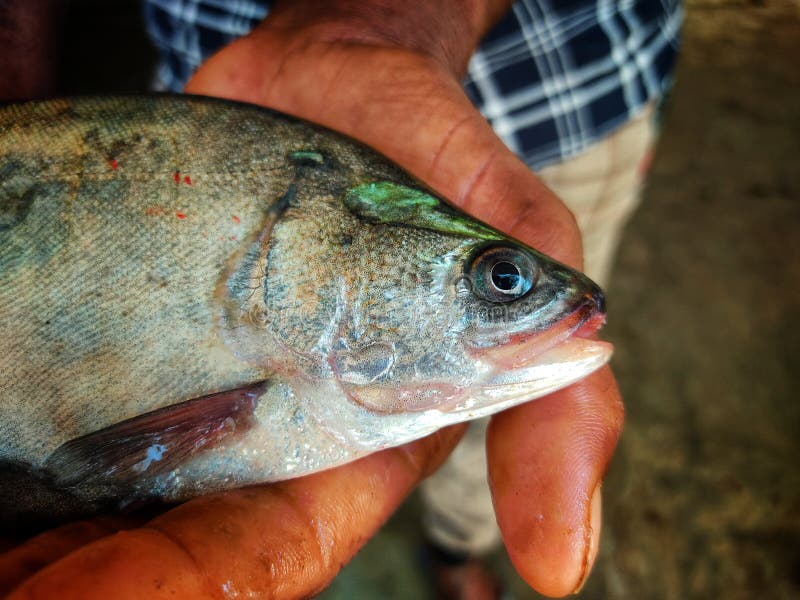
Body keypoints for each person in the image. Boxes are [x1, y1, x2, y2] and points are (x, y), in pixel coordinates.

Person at [0, 1, 679, 598]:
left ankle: (458, 546)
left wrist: (380, 22)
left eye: (502, 281)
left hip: (561, 99)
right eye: (499, 279)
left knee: (500, 452)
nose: (517, 296)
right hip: (187, 104)